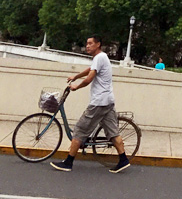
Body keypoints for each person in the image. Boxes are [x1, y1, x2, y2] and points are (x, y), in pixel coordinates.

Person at [52, 35, 130, 173]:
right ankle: (123, 160)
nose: (87, 46)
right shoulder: (100, 58)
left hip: (99, 102)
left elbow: (89, 78)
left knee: (79, 130)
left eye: (90, 43)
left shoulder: (99, 57)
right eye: (86, 44)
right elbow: (90, 69)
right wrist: (75, 76)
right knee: (113, 132)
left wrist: (76, 86)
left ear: (98, 44)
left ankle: (68, 162)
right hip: (107, 101)